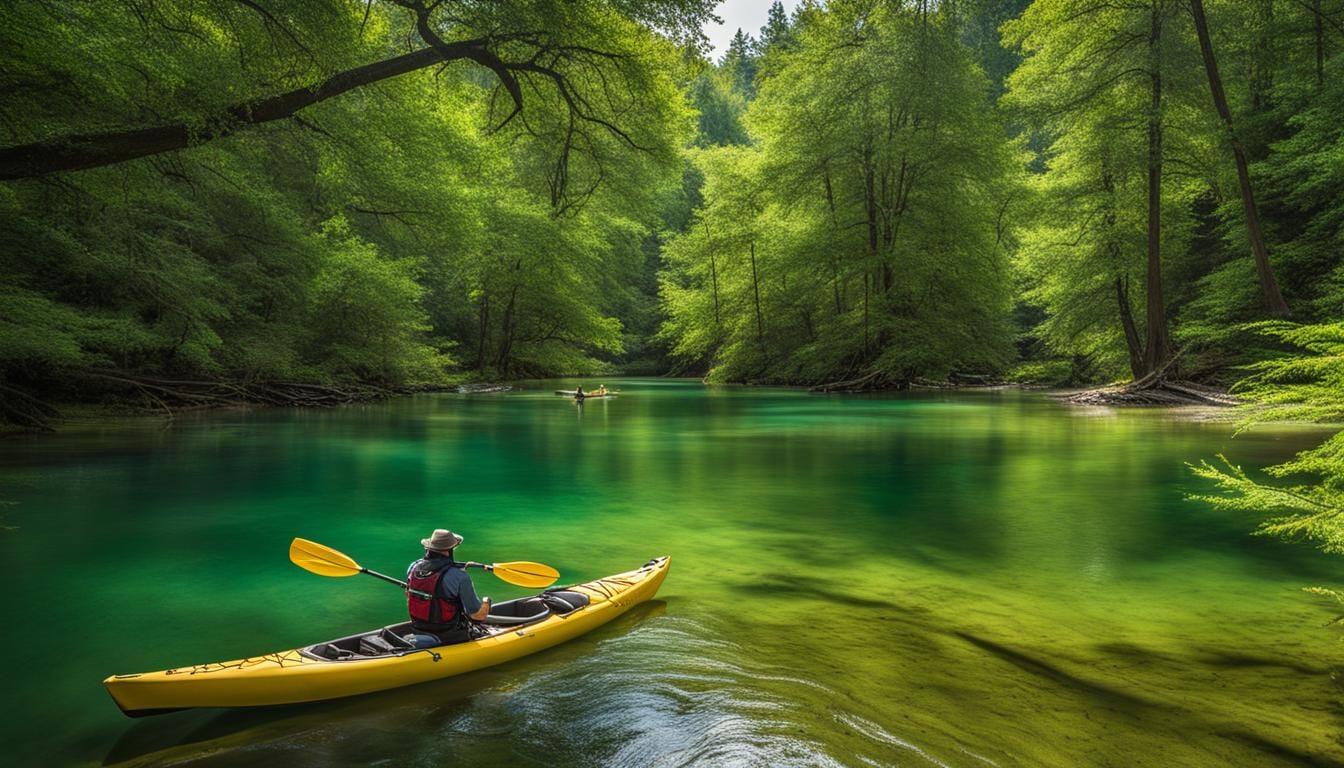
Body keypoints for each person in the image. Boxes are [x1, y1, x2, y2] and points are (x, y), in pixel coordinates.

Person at [404, 529, 491, 648]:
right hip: (449, 635)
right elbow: (477, 617)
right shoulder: (460, 576)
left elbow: (409, 595)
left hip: (417, 628)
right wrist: (487, 602)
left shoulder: (413, 567)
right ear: (449, 550)